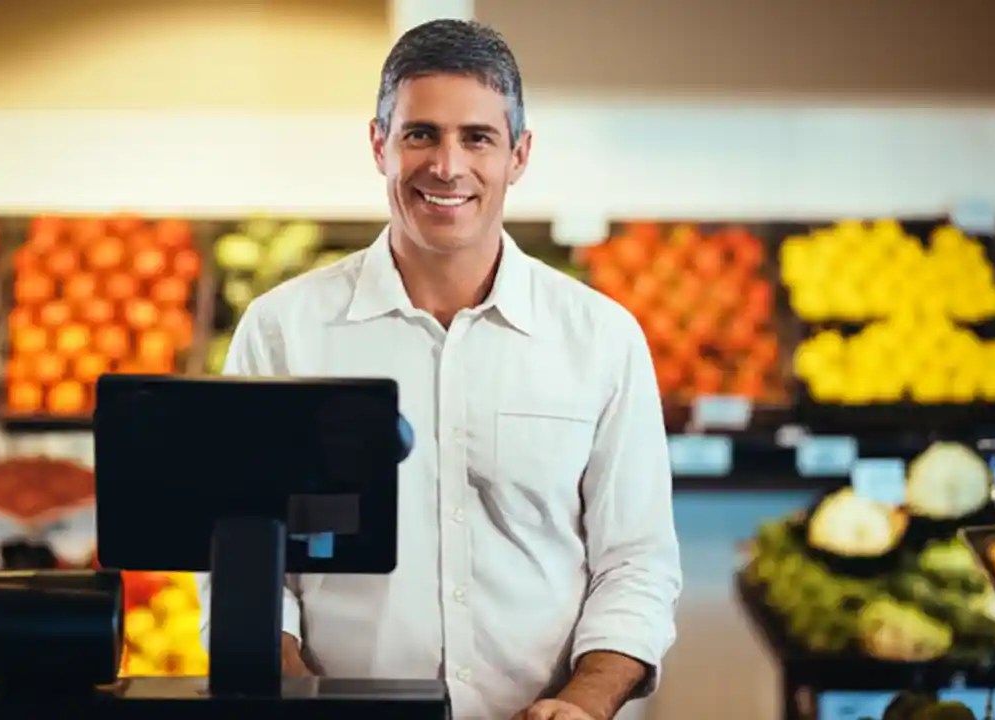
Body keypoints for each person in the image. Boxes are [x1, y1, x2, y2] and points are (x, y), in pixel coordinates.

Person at [198, 19, 681, 720]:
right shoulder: (284, 332)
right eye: (420, 134)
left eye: (477, 137)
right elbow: (241, 562)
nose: (447, 166)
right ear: (378, 145)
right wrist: (297, 694)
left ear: (519, 154)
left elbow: (636, 562)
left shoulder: (601, 338)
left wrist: (583, 702)